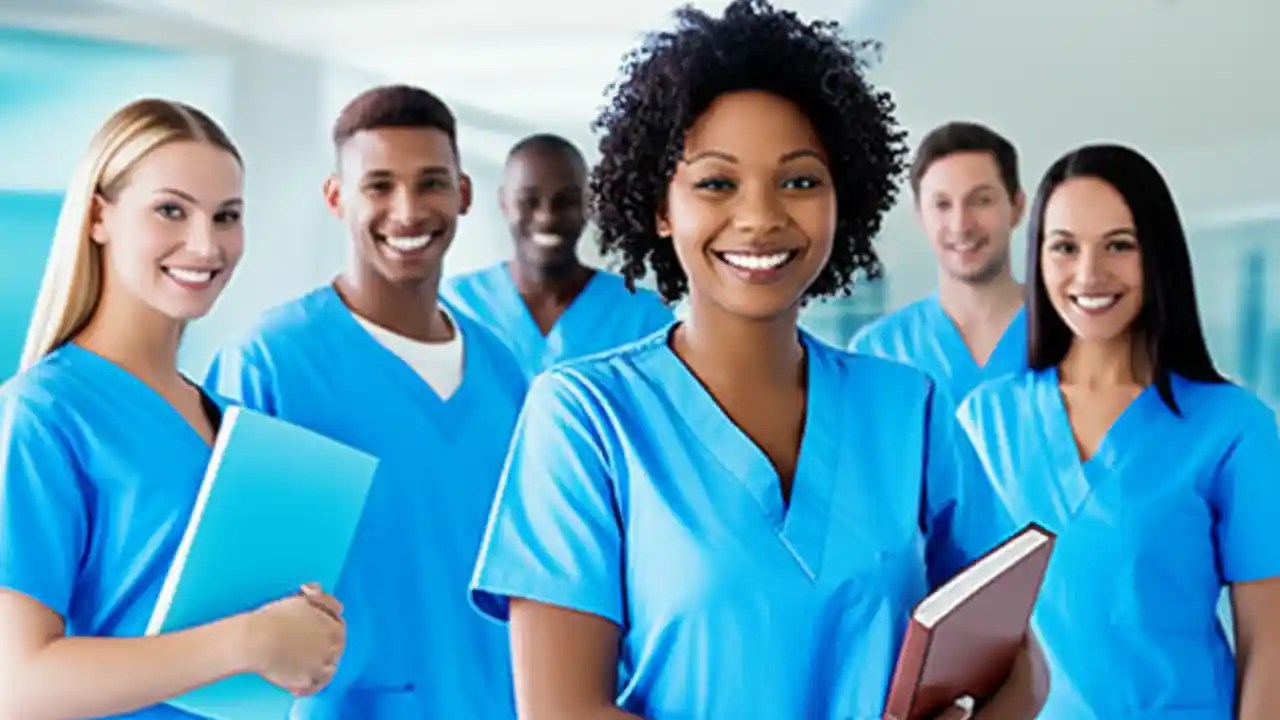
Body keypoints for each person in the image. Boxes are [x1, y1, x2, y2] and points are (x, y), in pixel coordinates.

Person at [468, 2, 1047, 718]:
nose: (761, 216)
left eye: (800, 181)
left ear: (845, 198)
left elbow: (1017, 657)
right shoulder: (586, 418)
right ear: (660, 206)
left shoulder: (907, 408)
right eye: (716, 183)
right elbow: (561, 710)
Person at [0, 99, 344, 720]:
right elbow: (16, 685)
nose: (205, 244)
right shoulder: (42, 415)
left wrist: (304, 634)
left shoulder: (233, 424)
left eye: (226, 216)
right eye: (170, 210)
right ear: (99, 216)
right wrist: (251, 640)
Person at [205, 84, 526, 718]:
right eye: (378, 186)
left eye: (431, 183)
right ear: (336, 197)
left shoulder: (505, 373)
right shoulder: (272, 364)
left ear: (462, 194)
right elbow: (232, 613)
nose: (407, 211)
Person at [957, 144, 1280, 719]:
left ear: (1156, 256)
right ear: (1037, 258)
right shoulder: (983, 423)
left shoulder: (1234, 429)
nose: (1089, 274)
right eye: (1064, 248)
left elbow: (1269, 646)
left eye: (1119, 245)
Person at [443, 134, 672, 379]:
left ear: (588, 205)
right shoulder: (455, 306)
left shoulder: (643, 316)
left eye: (566, 202)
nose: (547, 217)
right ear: (503, 201)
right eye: (528, 201)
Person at [849, 121, 1026, 399]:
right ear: (920, 215)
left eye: (981, 201)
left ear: (1017, 207)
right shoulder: (878, 353)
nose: (961, 225)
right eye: (942, 205)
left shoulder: (1069, 336)